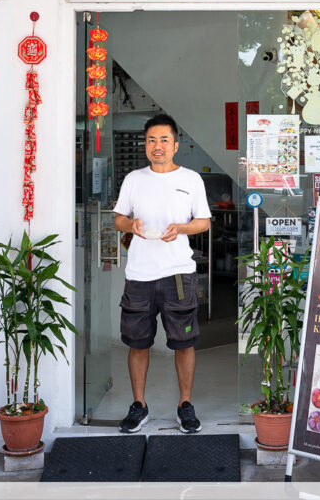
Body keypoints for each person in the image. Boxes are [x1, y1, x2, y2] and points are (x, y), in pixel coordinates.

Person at [112, 113, 211, 434]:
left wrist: (180, 228)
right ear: (145, 145)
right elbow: (118, 219)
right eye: (152, 140)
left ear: (175, 145)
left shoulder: (191, 180)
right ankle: (139, 405)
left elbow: (203, 222)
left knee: (184, 342)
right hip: (139, 275)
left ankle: (185, 405)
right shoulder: (134, 179)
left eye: (164, 140)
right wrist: (131, 225)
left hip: (178, 274)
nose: (158, 146)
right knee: (137, 342)